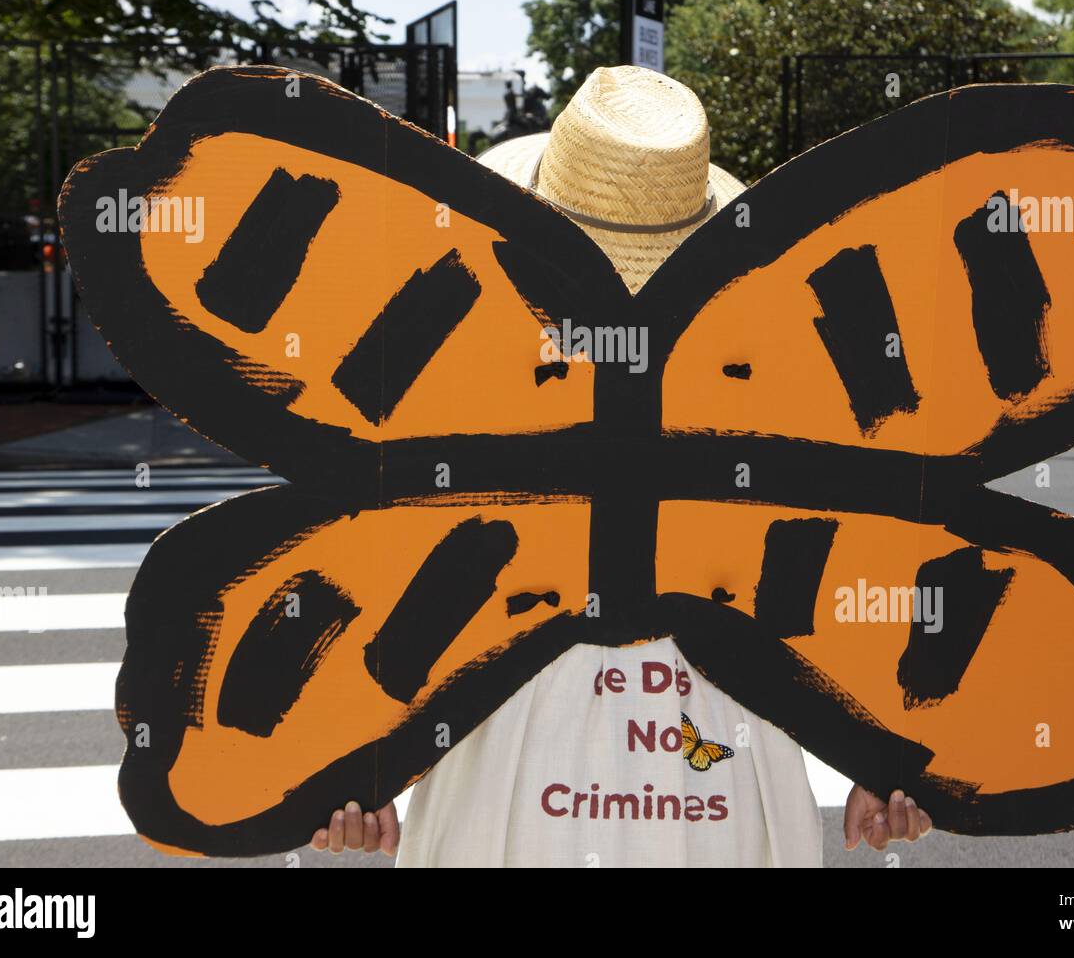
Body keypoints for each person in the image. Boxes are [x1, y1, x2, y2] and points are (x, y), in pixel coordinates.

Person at [310, 66, 933, 866]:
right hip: (666, 774)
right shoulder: (456, 395)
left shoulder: (766, 392)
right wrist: (360, 772)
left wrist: (886, 760)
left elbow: (840, 581)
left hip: (637, 772)